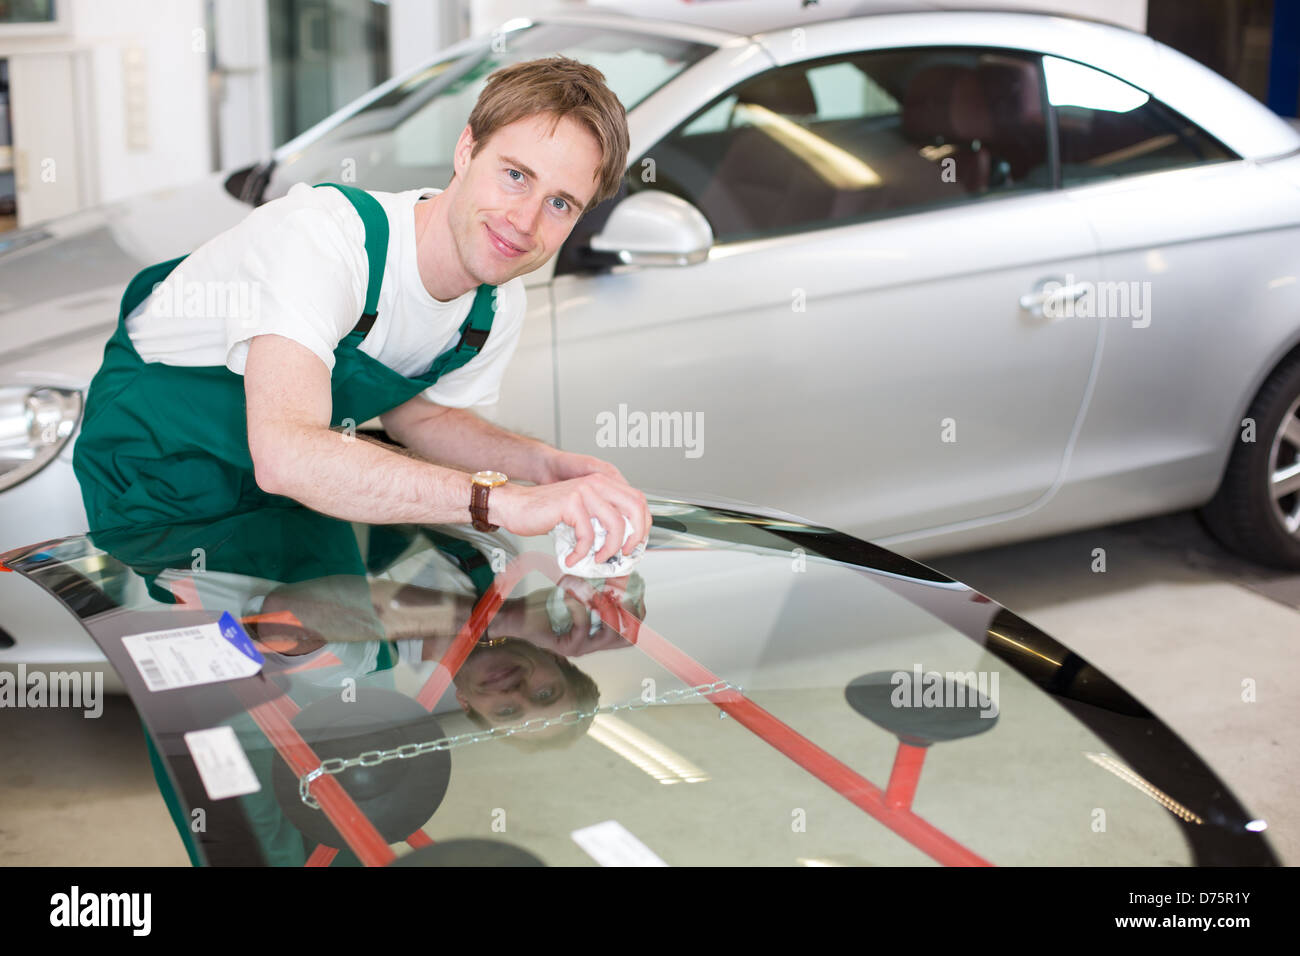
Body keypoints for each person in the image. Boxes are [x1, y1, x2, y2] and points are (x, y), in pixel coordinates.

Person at [72, 55, 650, 570]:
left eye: (559, 203)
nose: (524, 221)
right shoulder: (326, 240)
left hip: (299, 486)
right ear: (467, 149)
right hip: (162, 470)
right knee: (212, 680)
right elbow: (286, 454)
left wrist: (546, 468)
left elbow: (421, 419)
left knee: (334, 672)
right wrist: (499, 499)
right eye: (515, 175)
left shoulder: (494, 307)